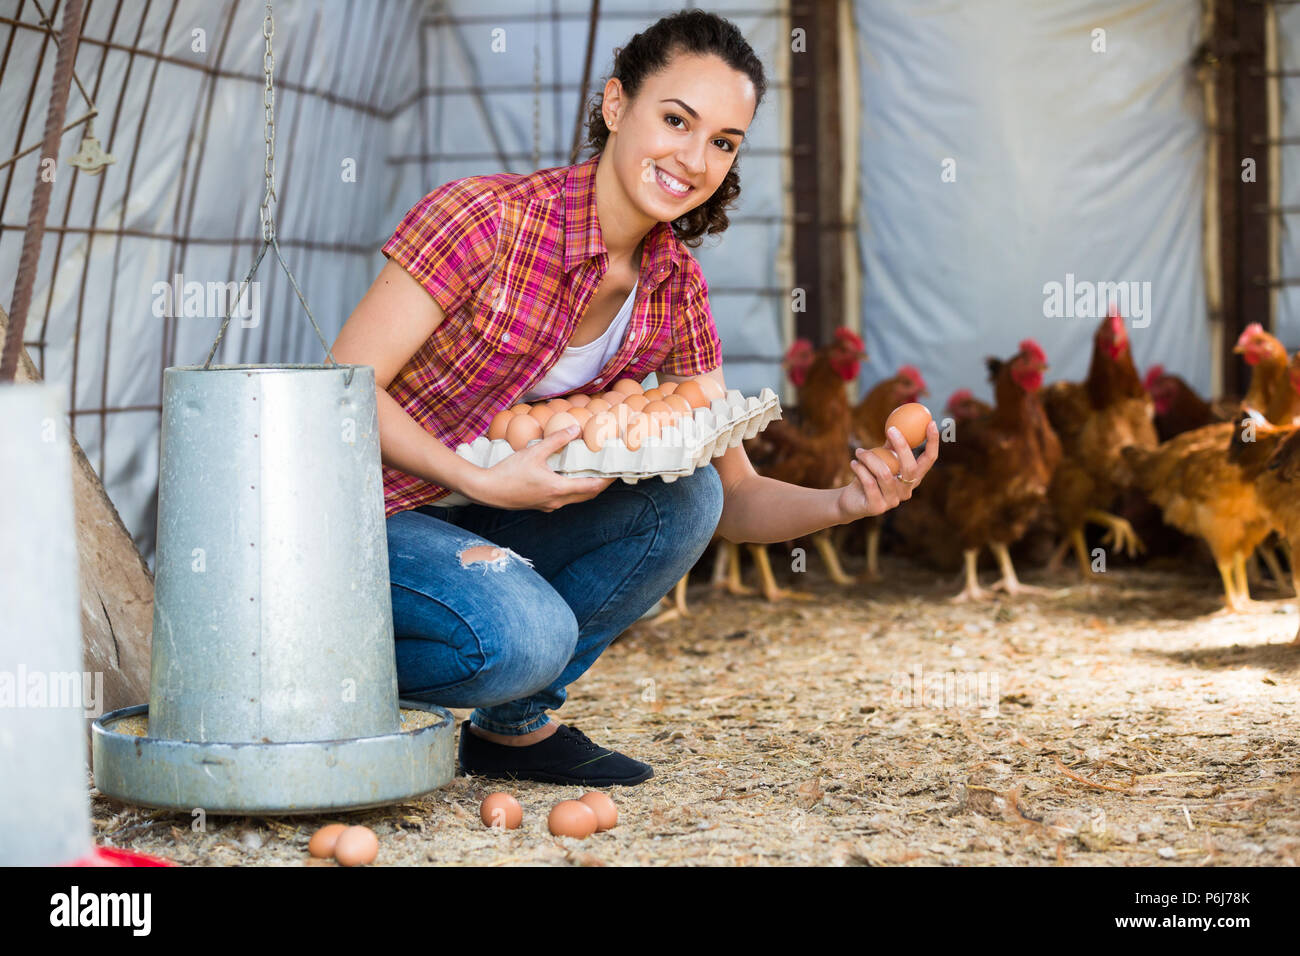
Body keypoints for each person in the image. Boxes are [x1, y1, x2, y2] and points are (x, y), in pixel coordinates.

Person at [332, 10, 939, 787]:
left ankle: (509, 727)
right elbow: (341, 391)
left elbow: (735, 497)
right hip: (370, 520)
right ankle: (326, 680)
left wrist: (846, 504)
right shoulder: (487, 220)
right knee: (525, 638)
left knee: (685, 498)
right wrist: (477, 478)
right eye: (676, 120)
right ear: (617, 106)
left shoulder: (673, 284)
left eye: (723, 142)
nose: (694, 158)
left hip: (490, 522)